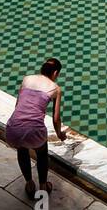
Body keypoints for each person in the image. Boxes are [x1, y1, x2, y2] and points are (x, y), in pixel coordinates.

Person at [5, 58, 67, 197]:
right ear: (56, 73)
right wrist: (59, 134)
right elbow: (56, 118)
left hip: (13, 128)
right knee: (42, 153)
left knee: (22, 150)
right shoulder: (55, 88)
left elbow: (17, 106)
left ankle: (29, 184)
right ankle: (43, 186)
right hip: (34, 131)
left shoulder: (26, 79)